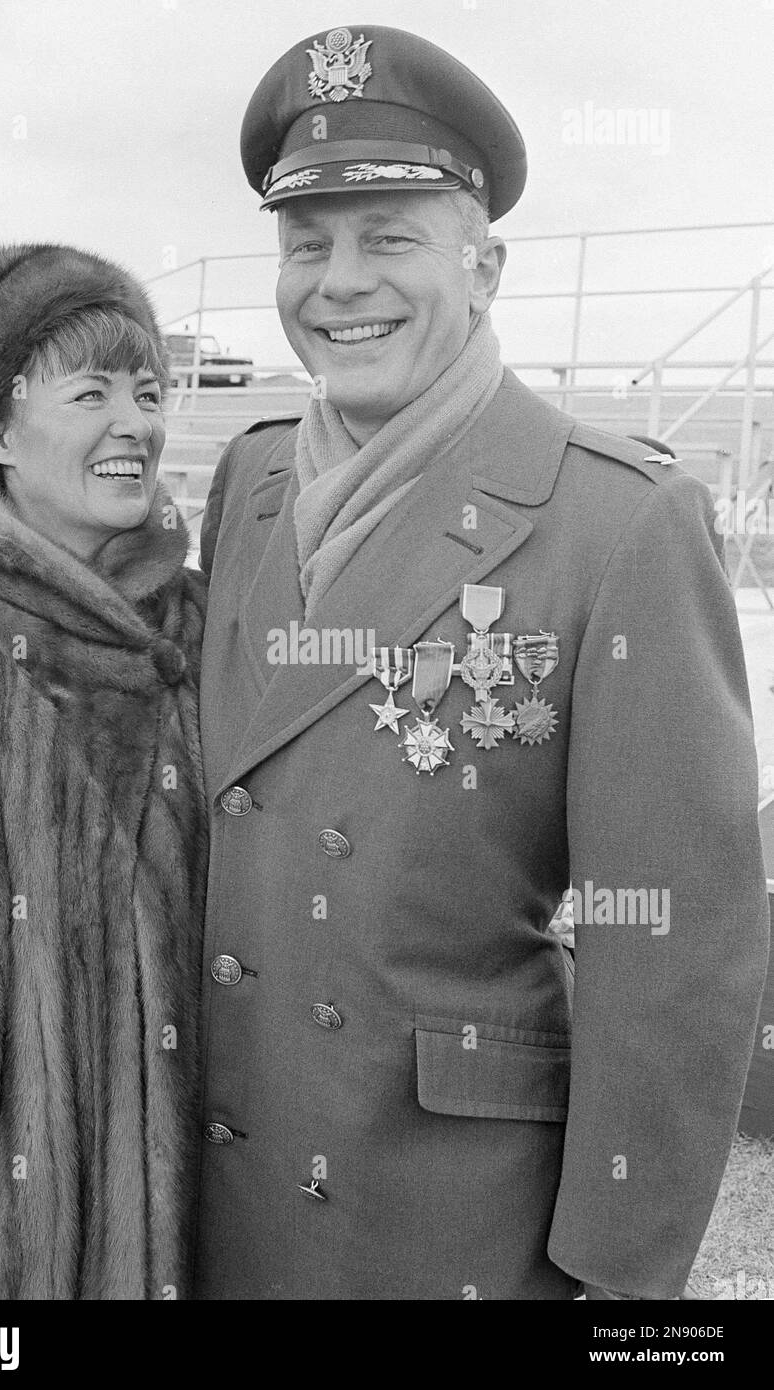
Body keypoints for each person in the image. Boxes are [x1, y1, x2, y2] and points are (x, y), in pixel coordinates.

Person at [193, 25, 770, 1300]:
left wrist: (616, 1284)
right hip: (222, 1196)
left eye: (389, 237)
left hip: (443, 1226)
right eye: (307, 244)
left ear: (485, 262)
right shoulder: (246, 480)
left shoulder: (615, 522)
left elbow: (673, 950)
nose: (340, 282)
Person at [0, 245, 207, 1299]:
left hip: (201, 1220)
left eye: (148, 392)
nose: (136, 423)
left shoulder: (218, 630)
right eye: (92, 390)